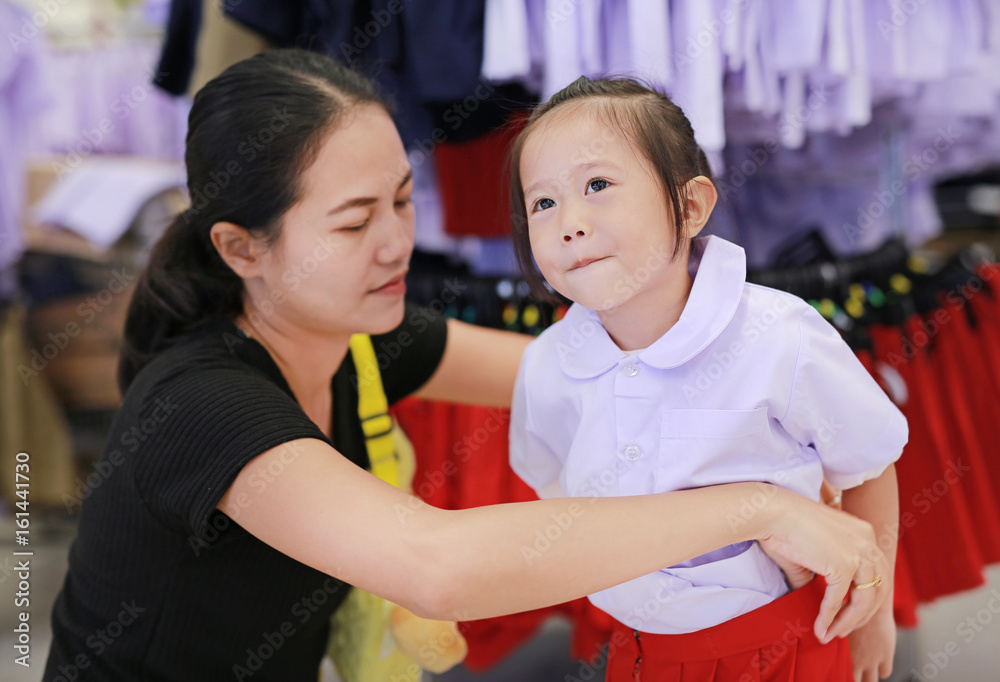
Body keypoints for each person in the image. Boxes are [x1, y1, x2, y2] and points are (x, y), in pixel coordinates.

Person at [44, 51, 890, 682]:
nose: (397, 244)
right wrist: (759, 507)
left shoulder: (358, 334)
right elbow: (439, 568)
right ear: (242, 249)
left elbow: (594, 373)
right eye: (353, 223)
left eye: (402, 200)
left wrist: (755, 389)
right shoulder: (202, 404)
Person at [507, 76, 907, 682]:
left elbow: (869, 464)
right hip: (639, 649)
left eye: (597, 185)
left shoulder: (779, 334)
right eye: (543, 202)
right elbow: (557, 495)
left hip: (785, 642)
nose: (570, 222)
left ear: (689, 207)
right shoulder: (546, 366)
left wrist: (874, 610)